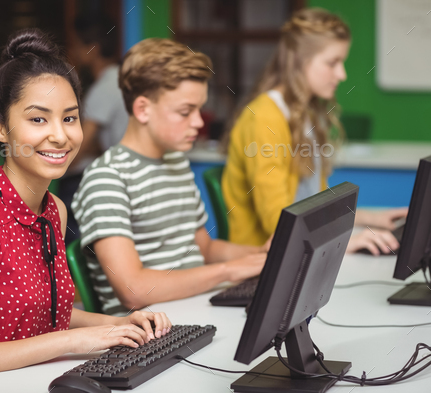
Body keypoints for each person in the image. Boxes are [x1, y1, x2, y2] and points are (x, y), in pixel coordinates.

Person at [0, 29, 171, 392]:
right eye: (38, 119)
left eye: (70, 118)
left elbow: (43, 313)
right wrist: (71, 342)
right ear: (0, 127)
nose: (60, 135)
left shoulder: (54, 209)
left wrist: (120, 324)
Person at [71, 38, 268, 316]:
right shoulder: (106, 178)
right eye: (185, 112)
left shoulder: (175, 161)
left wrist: (262, 255)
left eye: (199, 109)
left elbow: (206, 249)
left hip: (198, 309)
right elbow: (133, 290)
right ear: (142, 110)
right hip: (153, 336)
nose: (199, 122)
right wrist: (228, 271)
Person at [222, 8, 407, 256]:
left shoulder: (302, 114)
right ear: (299, 60)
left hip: (300, 254)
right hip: (265, 265)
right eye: (332, 63)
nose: (342, 74)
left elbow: (315, 205)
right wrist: (344, 241)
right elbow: (279, 222)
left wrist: (369, 218)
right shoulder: (265, 117)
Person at [59, 15, 129, 244]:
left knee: (61, 195)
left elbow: (80, 145)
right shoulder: (121, 78)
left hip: (122, 180)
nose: (73, 51)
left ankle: (73, 264)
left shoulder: (105, 88)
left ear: (93, 49)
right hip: (127, 174)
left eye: (78, 45)